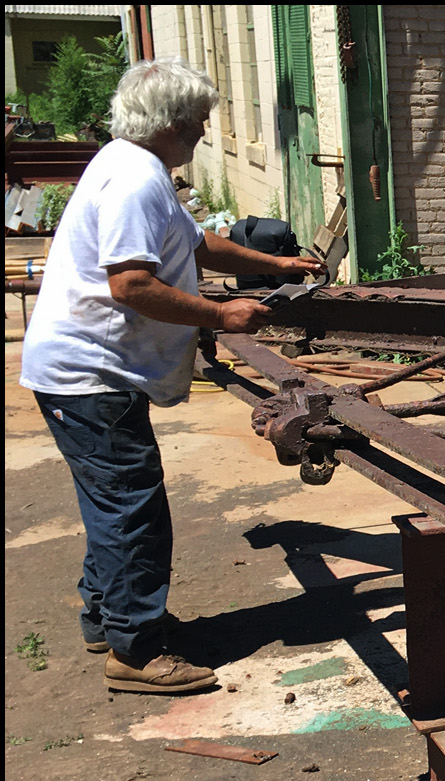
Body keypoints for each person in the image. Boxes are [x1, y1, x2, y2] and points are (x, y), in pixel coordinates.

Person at [20, 58, 324, 694]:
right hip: (90, 373)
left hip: (90, 372)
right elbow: (131, 284)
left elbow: (198, 244)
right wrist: (220, 314)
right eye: (198, 121)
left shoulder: (134, 165)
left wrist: (277, 265)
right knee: (133, 509)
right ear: (168, 122)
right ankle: (135, 652)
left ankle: (109, 620)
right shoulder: (134, 180)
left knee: (113, 503)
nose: (204, 132)